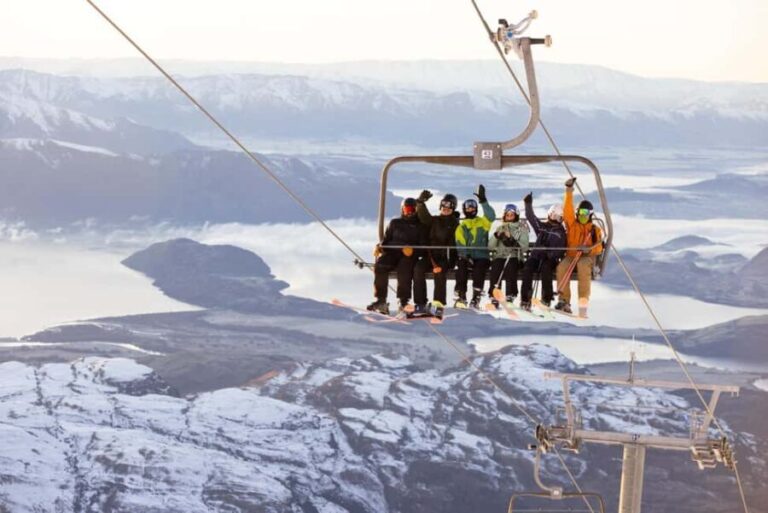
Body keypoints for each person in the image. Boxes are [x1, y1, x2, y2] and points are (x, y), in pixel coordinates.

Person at [367, 197, 427, 315]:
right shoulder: (395, 223)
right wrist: (379, 247)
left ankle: (403, 301)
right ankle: (381, 300)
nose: (409, 212)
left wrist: (413, 251)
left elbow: (423, 247)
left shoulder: (420, 226)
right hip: (392, 253)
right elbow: (386, 241)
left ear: (416, 211)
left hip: (408, 256)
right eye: (407, 209)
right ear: (402, 210)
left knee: (404, 269)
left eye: (412, 209)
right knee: (380, 265)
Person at [554, 177, 603, 314]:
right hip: (571, 255)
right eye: (581, 213)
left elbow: (599, 247)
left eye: (586, 213)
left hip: (586, 257)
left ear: (590, 215)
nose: (583, 215)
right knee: (561, 267)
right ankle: (564, 300)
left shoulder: (594, 230)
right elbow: (567, 209)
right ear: (577, 213)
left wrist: (588, 249)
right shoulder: (572, 225)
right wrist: (569, 190)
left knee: (583, 268)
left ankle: (583, 300)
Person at [413, 190, 460, 318]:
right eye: (443, 207)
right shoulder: (434, 220)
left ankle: (438, 304)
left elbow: (455, 244)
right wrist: (420, 202)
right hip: (431, 255)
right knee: (418, 269)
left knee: (439, 272)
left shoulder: (455, 224)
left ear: (453, 208)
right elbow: (424, 216)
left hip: (445, 257)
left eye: (449, 207)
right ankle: (420, 303)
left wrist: (451, 261)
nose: (445, 209)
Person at [520, 192, 567, 310]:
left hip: (550, 259)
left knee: (546, 269)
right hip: (536, 257)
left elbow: (561, 250)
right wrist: (528, 204)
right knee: (528, 267)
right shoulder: (542, 227)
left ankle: (546, 298)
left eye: (557, 217)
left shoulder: (560, 233)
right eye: (553, 215)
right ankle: (525, 299)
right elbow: (531, 218)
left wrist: (549, 253)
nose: (554, 219)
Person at [454, 184, 496, 309]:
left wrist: (483, 201)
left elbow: (491, 216)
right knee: (461, 266)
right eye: (468, 207)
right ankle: (461, 295)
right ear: (464, 210)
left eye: (473, 207)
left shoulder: (482, 222)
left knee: (480, 268)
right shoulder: (462, 226)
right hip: (467, 256)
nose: (471, 209)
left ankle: (476, 296)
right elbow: (459, 242)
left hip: (481, 256)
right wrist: (465, 255)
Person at [488, 203, 529, 307]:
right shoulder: (500, 228)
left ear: (516, 216)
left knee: (510, 267)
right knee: (496, 268)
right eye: (508, 215)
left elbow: (524, 247)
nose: (509, 217)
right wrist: (496, 236)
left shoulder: (521, 229)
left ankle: (510, 295)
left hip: (513, 256)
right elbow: (490, 247)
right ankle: (494, 295)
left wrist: (511, 239)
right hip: (500, 256)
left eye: (512, 215)